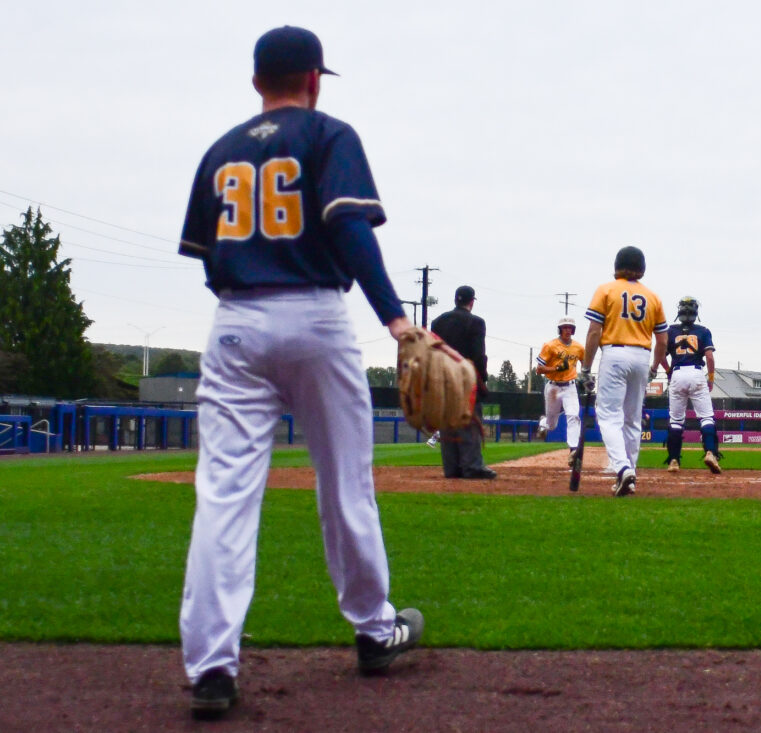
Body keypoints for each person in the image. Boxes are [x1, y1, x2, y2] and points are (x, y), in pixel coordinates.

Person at [177, 26, 422, 719]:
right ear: (314, 79)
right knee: (345, 481)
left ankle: (212, 667)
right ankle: (374, 630)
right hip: (316, 315)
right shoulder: (328, 134)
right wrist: (395, 318)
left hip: (235, 320)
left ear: (257, 81)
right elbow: (349, 228)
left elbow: (207, 257)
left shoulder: (220, 151)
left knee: (224, 495)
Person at [579, 246, 668, 496]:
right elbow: (663, 341)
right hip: (642, 356)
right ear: (642, 268)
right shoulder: (653, 297)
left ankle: (622, 468)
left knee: (608, 415)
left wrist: (586, 368)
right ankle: (630, 475)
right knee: (632, 419)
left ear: (617, 265)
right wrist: (654, 368)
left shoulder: (606, 289)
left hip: (615, 353)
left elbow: (594, 332)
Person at [431, 286, 496, 479]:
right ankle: (472, 466)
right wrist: (482, 377)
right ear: (472, 301)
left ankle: (451, 467)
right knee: (470, 421)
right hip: (466, 378)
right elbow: (478, 354)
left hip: (443, 377)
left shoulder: (438, 322)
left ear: (455, 300)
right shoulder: (476, 322)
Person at [660, 296, 720, 474]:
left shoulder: (670, 331)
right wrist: (711, 378)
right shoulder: (703, 331)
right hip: (696, 373)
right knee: (706, 418)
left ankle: (673, 460)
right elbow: (709, 357)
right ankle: (710, 452)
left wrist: (668, 371)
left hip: (677, 373)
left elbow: (661, 355)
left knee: (676, 420)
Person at [535, 316, 586, 467]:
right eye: (565, 327)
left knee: (573, 416)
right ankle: (543, 423)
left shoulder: (578, 347)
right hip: (553, 387)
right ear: (560, 329)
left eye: (570, 327)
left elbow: (585, 364)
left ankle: (573, 450)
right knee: (552, 424)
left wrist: (586, 376)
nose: (567, 330)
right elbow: (539, 369)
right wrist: (556, 368)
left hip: (570, 386)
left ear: (573, 330)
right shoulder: (550, 345)